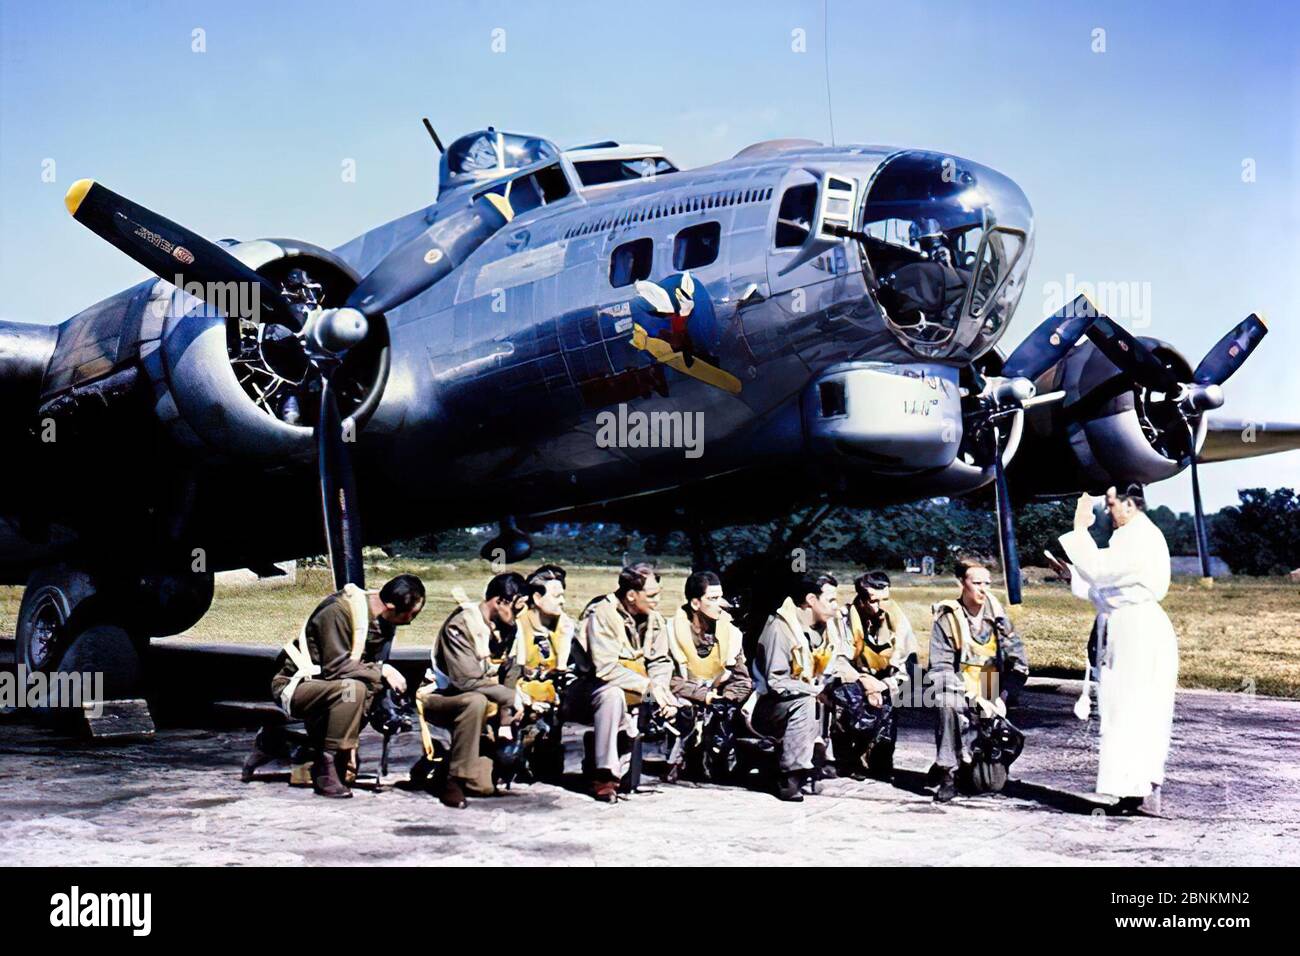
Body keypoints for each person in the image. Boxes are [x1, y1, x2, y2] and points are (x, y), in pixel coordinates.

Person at [1058, 485, 1178, 816]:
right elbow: (1107, 586)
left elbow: (1100, 571)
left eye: (1111, 505)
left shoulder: (1139, 535)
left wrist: (1080, 529)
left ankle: (1140, 790)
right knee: (1128, 709)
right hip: (1131, 626)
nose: (1108, 512)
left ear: (1129, 504)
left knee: (1132, 709)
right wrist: (1073, 574)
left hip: (1138, 631)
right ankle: (1134, 789)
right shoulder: (1131, 536)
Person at [260, 574, 424, 799]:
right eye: (410, 614)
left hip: (329, 688)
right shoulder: (338, 611)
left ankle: (285, 743)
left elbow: (363, 669)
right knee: (353, 690)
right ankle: (325, 767)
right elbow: (336, 668)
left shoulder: (383, 622)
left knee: (364, 689)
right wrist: (383, 671)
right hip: (296, 686)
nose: (411, 620)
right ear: (390, 606)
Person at [569, 563, 677, 802]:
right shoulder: (601, 614)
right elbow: (605, 669)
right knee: (612, 695)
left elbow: (661, 660)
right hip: (588, 690)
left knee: (666, 701)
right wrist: (649, 687)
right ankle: (604, 776)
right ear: (631, 595)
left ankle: (629, 755)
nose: (657, 601)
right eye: (651, 595)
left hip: (635, 687)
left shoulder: (654, 620)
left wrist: (660, 689)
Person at [928, 558, 1029, 803]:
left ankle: (972, 761)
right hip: (959, 687)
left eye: (987, 583)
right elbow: (940, 668)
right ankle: (947, 771)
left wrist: (1003, 696)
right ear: (961, 583)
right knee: (946, 701)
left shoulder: (1000, 620)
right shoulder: (947, 619)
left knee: (990, 783)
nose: (983, 589)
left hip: (990, 685)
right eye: (977, 583)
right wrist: (972, 697)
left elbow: (1020, 664)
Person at [751, 572, 841, 802]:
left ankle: (829, 760)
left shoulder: (828, 628)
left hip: (806, 697)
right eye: (831, 600)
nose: (836, 607)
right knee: (805, 702)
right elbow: (776, 682)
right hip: (769, 705)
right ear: (811, 600)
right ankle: (791, 775)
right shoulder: (780, 629)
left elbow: (840, 661)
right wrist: (816, 692)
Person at [662, 570, 753, 782]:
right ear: (695, 603)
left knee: (732, 710)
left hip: (717, 697)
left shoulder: (730, 633)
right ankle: (675, 758)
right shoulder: (670, 632)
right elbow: (667, 679)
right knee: (681, 710)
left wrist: (727, 699)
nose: (720, 604)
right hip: (682, 696)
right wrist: (705, 696)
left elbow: (742, 679)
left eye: (720, 597)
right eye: (712, 599)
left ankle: (717, 757)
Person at [831, 570, 918, 780]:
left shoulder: (897, 619)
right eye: (874, 601)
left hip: (887, 681)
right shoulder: (843, 620)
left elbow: (909, 665)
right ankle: (848, 759)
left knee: (881, 764)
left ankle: (877, 755)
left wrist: (884, 685)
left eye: (885, 600)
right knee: (843, 698)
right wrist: (863, 682)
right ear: (861, 600)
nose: (880, 607)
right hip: (855, 680)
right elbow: (837, 659)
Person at [432, 572, 529, 743]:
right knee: (476, 702)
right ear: (500, 601)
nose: (519, 613)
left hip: (489, 697)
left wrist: (506, 721)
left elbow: (510, 673)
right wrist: (509, 697)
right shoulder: (461, 625)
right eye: (517, 607)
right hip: (447, 695)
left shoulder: (509, 628)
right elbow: (465, 681)